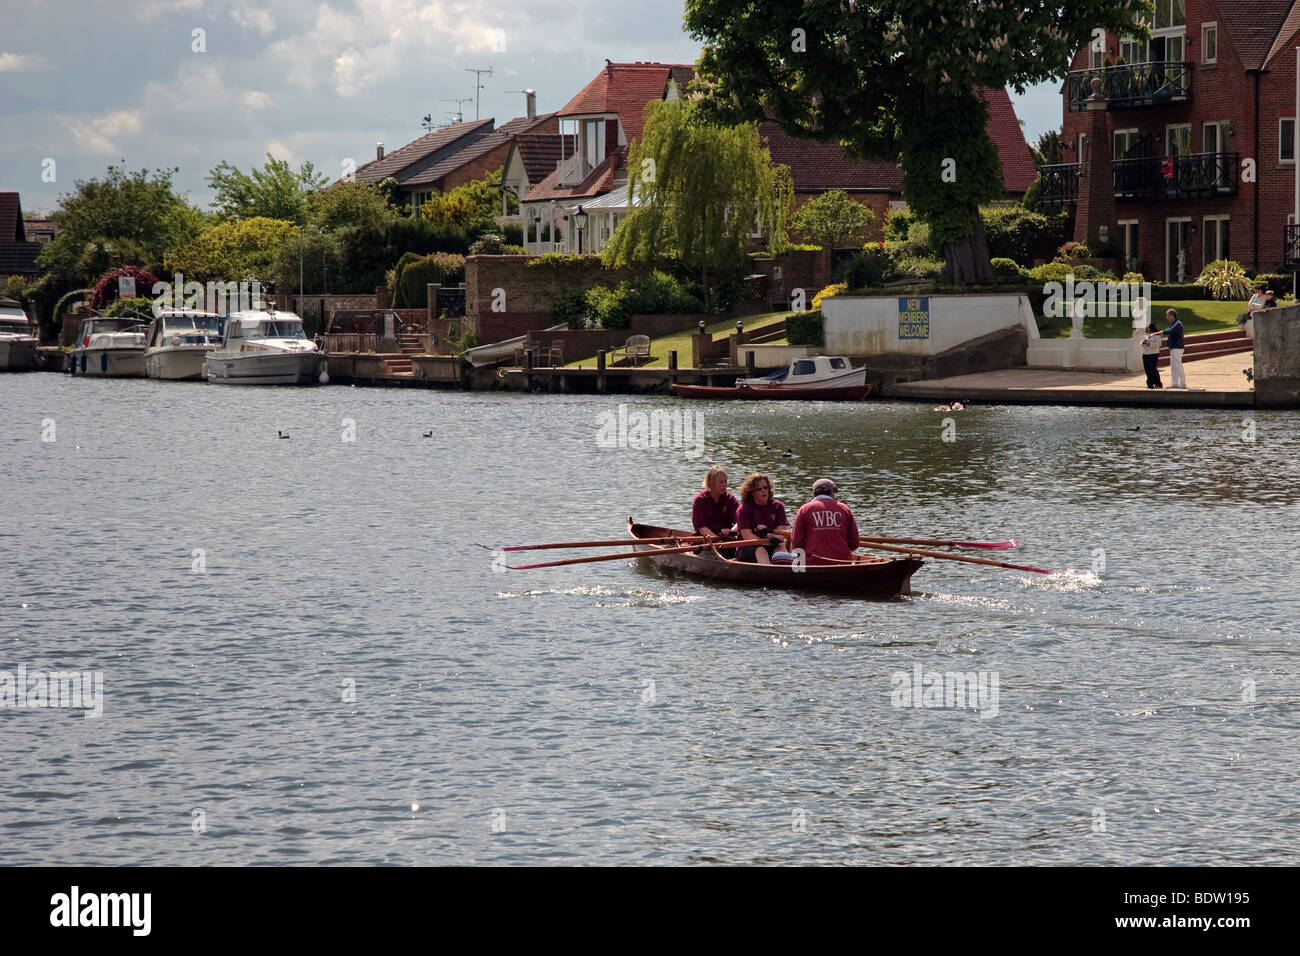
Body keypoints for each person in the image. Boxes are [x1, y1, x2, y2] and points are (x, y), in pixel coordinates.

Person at [789, 478, 860, 566]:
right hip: (843, 563)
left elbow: (796, 542)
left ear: (814, 493)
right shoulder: (844, 508)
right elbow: (854, 543)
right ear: (832, 492)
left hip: (812, 564)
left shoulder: (804, 509)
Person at [734, 473, 790, 565]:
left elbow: (781, 532)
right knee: (761, 550)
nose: (764, 491)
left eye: (766, 487)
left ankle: (785, 572)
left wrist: (768, 536)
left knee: (780, 549)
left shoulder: (778, 506)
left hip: (772, 543)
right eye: (759, 489)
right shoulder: (744, 509)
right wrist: (769, 538)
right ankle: (769, 574)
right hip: (748, 547)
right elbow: (747, 536)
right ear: (752, 492)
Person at [691, 465, 738, 541]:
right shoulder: (700, 500)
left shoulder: (730, 499)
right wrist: (718, 540)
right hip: (704, 540)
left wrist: (731, 531)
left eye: (725, 481)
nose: (725, 485)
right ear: (711, 483)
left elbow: (739, 522)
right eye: (721, 482)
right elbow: (702, 528)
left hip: (726, 540)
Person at [1161, 308, 1186, 388]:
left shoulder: (1178, 323)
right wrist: (1161, 332)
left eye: (1167, 316)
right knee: (1173, 366)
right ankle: (1175, 383)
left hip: (1177, 348)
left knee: (1178, 365)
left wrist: (1160, 333)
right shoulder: (1174, 323)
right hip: (1173, 348)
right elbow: (1168, 329)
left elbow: (1169, 331)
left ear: (1172, 315)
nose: (1166, 318)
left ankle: (1183, 383)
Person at [1140, 323, 1163, 389]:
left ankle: (1158, 383)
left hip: (1153, 354)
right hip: (1145, 354)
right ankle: (1150, 384)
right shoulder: (1145, 335)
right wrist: (1143, 343)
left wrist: (1149, 344)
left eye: (1148, 327)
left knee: (1152, 369)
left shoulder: (1157, 336)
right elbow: (1141, 343)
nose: (1147, 329)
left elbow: (1158, 344)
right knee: (1147, 370)